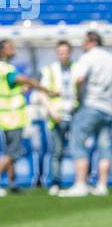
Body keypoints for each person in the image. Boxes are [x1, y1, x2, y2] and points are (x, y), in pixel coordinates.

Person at [59, 29, 112, 198]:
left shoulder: (87, 58)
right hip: (110, 108)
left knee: (77, 141)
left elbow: (79, 79)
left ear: (91, 42)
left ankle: (80, 183)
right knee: (105, 146)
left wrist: (78, 99)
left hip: (91, 105)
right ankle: (102, 185)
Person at [0, 37, 44, 196]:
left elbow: (11, 88)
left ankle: (13, 183)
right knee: (13, 153)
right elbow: (21, 79)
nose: (14, 49)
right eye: (10, 47)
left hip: (5, 116)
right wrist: (40, 86)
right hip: (13, 116)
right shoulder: (6, 68)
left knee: (8, 152)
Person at [42, 39, 78, 195]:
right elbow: (43, 92)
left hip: (75, 114)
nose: (63, 55)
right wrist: (51, 112)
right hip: (57, 115)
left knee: (79, 149)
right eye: (60, 52)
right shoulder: (50, 70)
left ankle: (81, 181)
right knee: (57, 151)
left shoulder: (77, 68)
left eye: (66, 52)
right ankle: (55, 182)